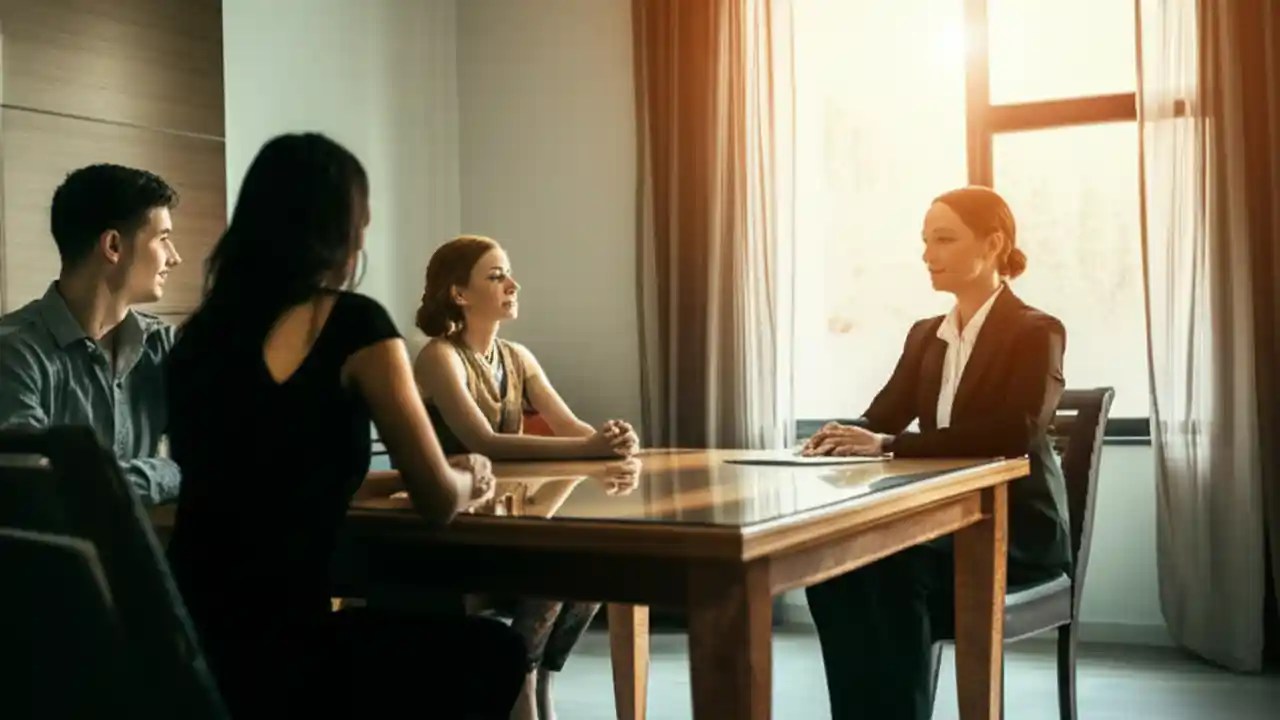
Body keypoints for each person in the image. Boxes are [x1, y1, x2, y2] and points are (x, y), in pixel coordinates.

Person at [164, 133, 525, 719]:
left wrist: (397, 480)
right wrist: (467, 478)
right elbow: (436, 501)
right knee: (497, 649)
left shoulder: (195, 338)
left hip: (187, 640)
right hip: (288, 654)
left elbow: (271, 474)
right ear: (342, 230)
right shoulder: (355, 324)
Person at [800, 186, 1071, 720]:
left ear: (994, 244)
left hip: (1017, 532)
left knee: (889, 571)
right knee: (835, 572)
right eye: (925, 241)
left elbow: (1014, 433)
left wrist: (889, 444)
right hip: (945, 528)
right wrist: (834, 437)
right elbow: (881, 421)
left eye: (944, 239)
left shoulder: (1036, 331)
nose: (928, 255)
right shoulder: (926, 336)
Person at [413, 235, 639, 720]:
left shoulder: (518, 357)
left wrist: (613, 439)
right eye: (496, 276)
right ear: (459, 294)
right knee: (555, 570)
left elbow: (572, 427)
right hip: (458, 523)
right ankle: (522, 689)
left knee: (598, 569)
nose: (512, 285)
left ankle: (538, 680)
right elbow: (483, 443)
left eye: (508, 273)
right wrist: (587, 448)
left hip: (513, 518)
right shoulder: (439, 358)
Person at [0, 164, 184, 505]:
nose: (175, 258)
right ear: (113, 245)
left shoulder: (164, 347)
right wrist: (170, 473)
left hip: (140, 554)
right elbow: (41, 487)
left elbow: (218, 457)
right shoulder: (14, 354)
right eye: (163, 239)